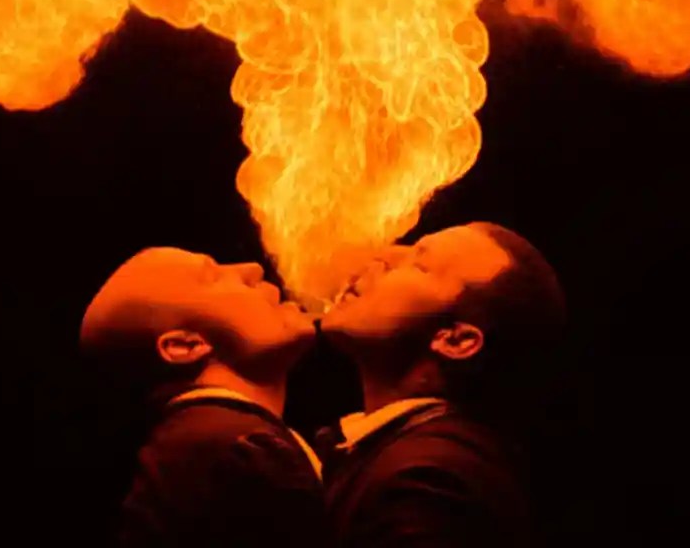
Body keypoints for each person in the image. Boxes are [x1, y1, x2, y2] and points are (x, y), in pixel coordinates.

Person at [317, 222, 567, 547]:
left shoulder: (429, 483)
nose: (384, 256)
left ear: (455, 340)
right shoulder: (386, 452)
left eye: (420, 265)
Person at [80, 246, 324, 547]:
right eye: (213, 277)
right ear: (185, 346)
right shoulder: (236, 453)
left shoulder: (201, 446)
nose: (252, 268)